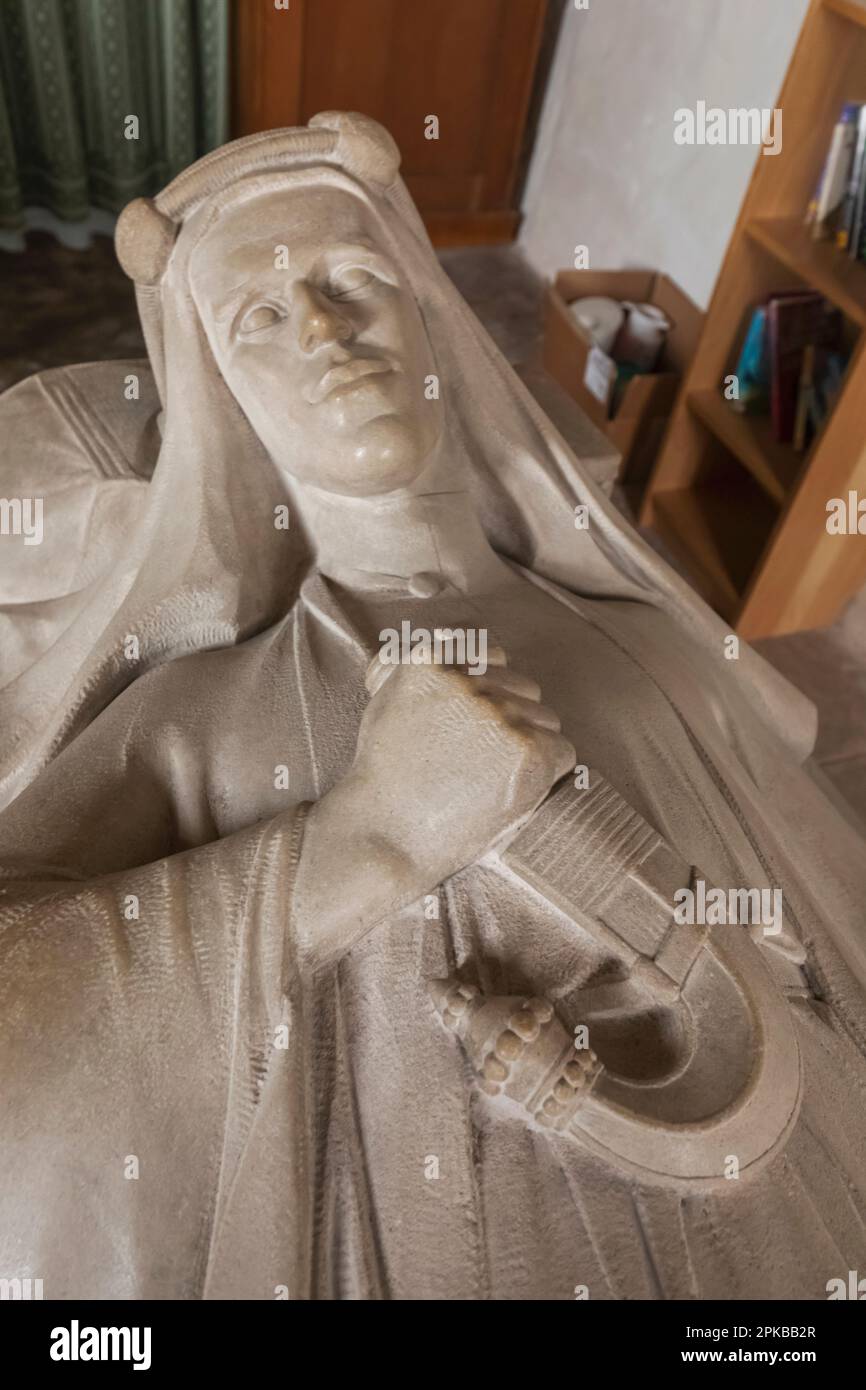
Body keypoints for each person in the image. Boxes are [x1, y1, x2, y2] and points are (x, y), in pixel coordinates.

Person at [0, 113, 864, 1300]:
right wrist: (356, 844)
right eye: (257, 318)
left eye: (356, 278)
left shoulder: (651, 636)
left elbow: (815, 922)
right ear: (225, 401)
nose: (322, 329)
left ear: (429, 319)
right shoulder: (195, 719)